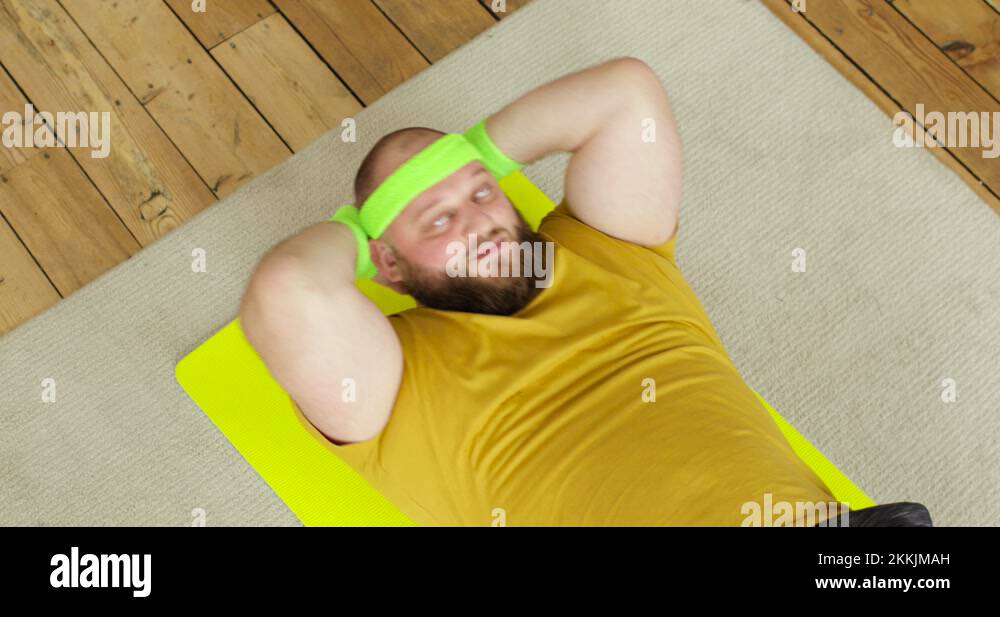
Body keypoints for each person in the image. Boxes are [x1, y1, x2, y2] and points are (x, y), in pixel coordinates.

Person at [239, 57, 929, 526]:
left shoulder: (605, 245)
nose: (478, 217)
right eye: (438, 218)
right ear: (386, 265)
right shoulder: (394, 384)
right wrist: (364, 238)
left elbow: (627, 91)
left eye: (481, 191)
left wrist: (475, 151)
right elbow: (287, 290)